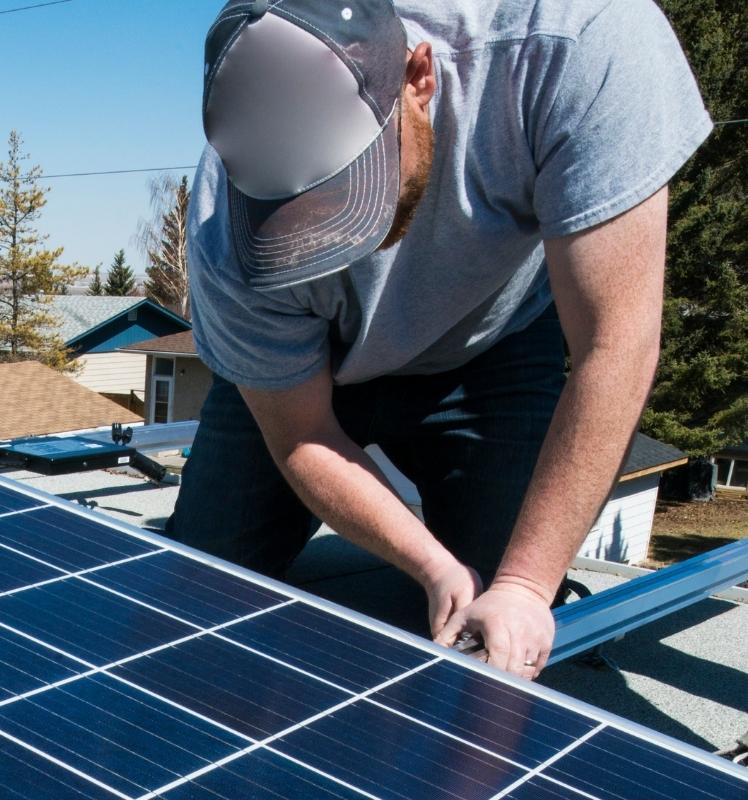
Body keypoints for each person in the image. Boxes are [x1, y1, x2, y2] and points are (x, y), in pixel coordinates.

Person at [169, 0, 710, 678]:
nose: (340, 238)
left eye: (353, 190)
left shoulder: (576, 42)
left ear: (418, 76)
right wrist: (428, 563)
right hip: (313, 370)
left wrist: (524, 585)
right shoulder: (225, 231)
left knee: (491, 629)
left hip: (492, 349)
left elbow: (616, 343)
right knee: (189, 599)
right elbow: (299, 433)